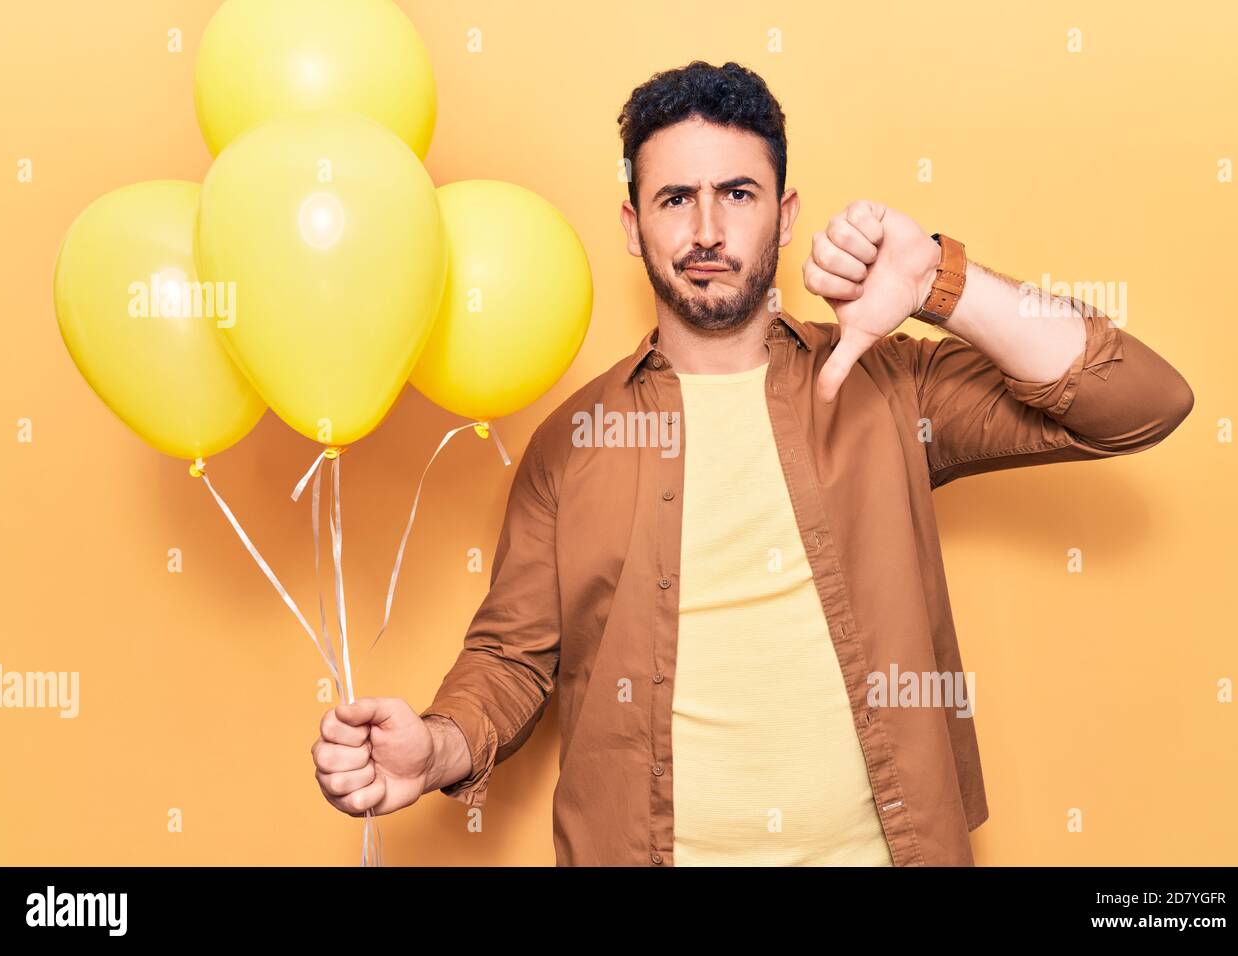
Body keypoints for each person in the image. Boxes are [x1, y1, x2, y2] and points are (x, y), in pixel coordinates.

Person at [311, 60, 1193, 866]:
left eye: (737, 193)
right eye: (673, 199)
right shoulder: (572, 445)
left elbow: (1138, 401)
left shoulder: (891, 391)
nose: (705, 230)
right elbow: (511, 660)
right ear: (632, 223)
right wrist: (435, 748)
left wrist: (936, 283)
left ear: (786, 211)